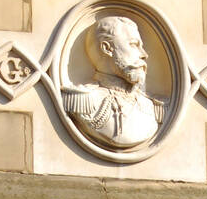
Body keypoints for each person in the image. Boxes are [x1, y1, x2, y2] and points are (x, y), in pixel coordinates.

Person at [62, 15, 165, 148]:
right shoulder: (83, 100)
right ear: (107, 48)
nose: (144, 54)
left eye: (142, 46)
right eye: (134, 44)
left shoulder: (153, 107)